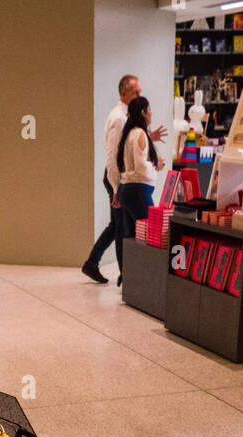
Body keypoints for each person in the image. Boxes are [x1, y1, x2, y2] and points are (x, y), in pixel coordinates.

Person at [82, 75, 165, 286]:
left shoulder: (128, 120)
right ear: (123, 93)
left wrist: (148, 137)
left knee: (119, 225)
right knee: (122, 228)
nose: (139, 95)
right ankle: (123, 274)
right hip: (119, 180)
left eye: (139, 92)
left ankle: (97, 264)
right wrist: (116, 188)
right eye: (135, 92)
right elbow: (114, 156)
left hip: (123, 181)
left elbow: (129, 146)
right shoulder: (119, 118)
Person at [116, 96, 163, 245]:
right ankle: (148, 268)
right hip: (138, 190)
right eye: (149, 110)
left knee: (131, 238)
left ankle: (128, 269)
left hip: (127, 189)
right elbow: (141, 167)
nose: (151, 114)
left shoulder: (129, 133)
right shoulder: (140, 134)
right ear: (143, 112)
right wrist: (156, 165)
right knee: (151, 235)